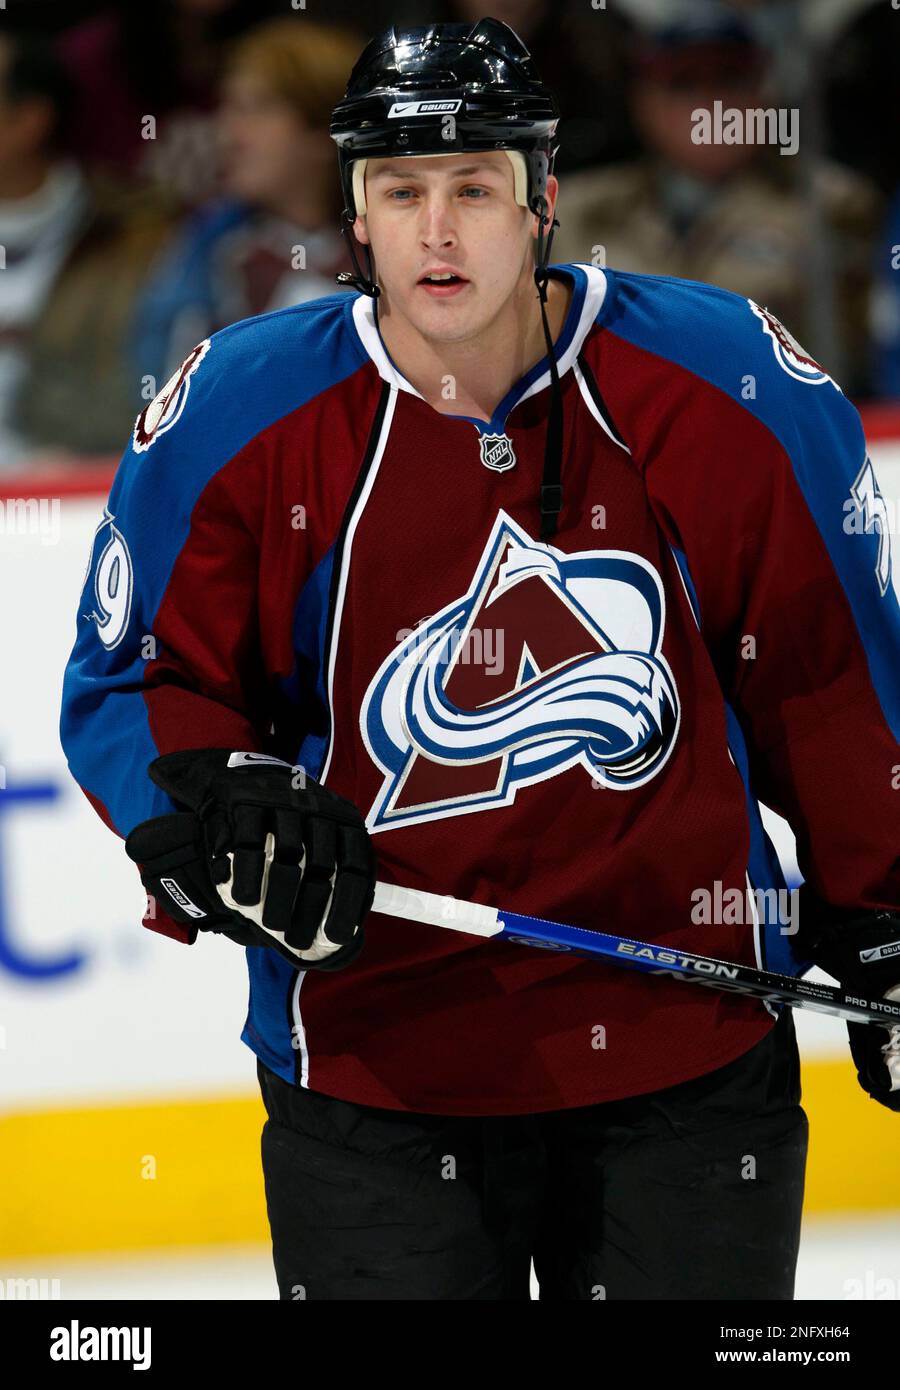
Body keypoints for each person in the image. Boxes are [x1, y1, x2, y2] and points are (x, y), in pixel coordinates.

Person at [59, 18, 900, 1300]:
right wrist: (221, 793)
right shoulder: (240, 414)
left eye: (475, 189)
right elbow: (142, 679)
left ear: (544, 199)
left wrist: (887, 908)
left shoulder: (723, 387)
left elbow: (827, 676)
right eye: (402, 192)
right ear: (355, 215)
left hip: (685, 1061)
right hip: (375, 1063)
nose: (438, 233)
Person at [551, 12, 882, 400]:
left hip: (775, 433)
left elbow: (855, 357)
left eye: (729, 79)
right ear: (644, 102)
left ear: (764, 93)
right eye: (683, 83)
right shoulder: (573, 209)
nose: (710, 103)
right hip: (606, 437)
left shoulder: (833, 205)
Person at [133, 19, 361, 390]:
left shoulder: (394, 248)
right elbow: (166, 401)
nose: (228, 132)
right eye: (228, 107)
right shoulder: (210, 247)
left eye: (255, 109)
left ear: (324, 132)